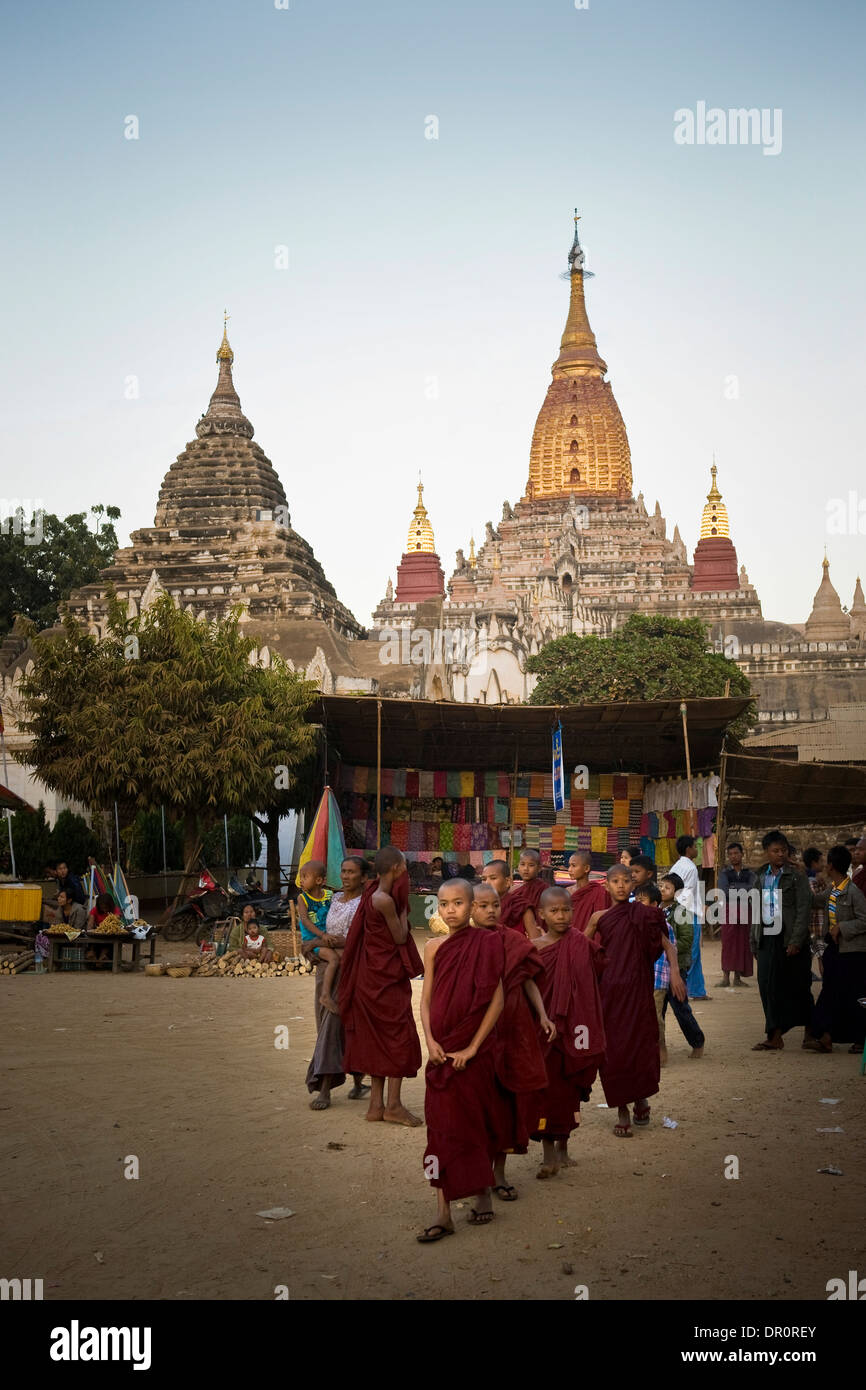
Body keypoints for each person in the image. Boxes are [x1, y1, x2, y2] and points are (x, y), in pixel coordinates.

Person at [417, 879, 505, 1242]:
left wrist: (472, 1047)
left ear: (471, 907)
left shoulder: (486, 944)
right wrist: (430, 1040)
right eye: (444, 903)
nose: (450, 910)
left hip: (473, 1053)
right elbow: (425, 1000)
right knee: (440, 1129)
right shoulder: (434, 947)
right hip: (441, 1053)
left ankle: (482, 1193)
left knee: (472, 1123)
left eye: (458, 903)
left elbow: (496, 1000)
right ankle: (443, 1211)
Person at [586, 864, 686, 1138]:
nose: (620, 886)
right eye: (615, 881)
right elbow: (580, 948)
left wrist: (675, 973)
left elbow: (667, 944)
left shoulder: (647, 914)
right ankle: (622, 1109)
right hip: (610, 994)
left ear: (633, 885)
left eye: (626, 881)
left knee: (641, 1046)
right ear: (606, 885)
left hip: (639, 991)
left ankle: (640, 1099)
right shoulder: (599, 917)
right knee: (614, 1052)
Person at [470, 882, 553, 1201]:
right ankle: (479, 1173)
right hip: (478, 1032)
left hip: (515, 1027)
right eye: (483, 905)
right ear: (471, 908)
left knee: (508, 1101)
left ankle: (499, 1173)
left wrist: (543, 1015)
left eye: (495, 905)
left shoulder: (514, 940)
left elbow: (529, 979)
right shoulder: (463, 942)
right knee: (482, 1102)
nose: (490, 911)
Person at [340, 846, 424, 1126]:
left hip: (369, 979)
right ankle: (394, 1106)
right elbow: (400, 938)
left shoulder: (371, 893)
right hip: (385, 982)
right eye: (404, 867)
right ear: (397, 869)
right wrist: (402, 909)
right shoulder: (385, 899)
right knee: (398, 1037)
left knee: (376, 1041)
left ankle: (376, 1106)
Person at [530, 886, 606, 1177]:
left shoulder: (582, 943)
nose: (561, 916)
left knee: (570, 1091)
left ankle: (563, 1150)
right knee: (547, 1091)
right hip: (546, 1032)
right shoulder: (535, 949)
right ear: (542, 915)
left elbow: (593, 983)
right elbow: (528, 987)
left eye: (566, 910)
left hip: (577, 1029)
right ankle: (548, 1155)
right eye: (554, 911)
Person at [306, 857, 370, 1110]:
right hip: (326, 970)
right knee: (325, 1024)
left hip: (351, 971)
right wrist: (314, 947)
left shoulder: (365, 904)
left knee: (337, 1026)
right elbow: (321, 929)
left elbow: (356, 939)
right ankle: (356, 1083)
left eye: (352, 872)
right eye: (343, 871)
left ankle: (324, 1090)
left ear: (364, 877)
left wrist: (315, 944)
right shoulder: (332, 899)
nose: (345, 876)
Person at [750, 830, 813, 1051]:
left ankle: (811, 1033)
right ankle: (774, 1036)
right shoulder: (759, 876)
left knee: (799, 985)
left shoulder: (797, 875)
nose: (780, 854)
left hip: (790, 938)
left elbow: (804, 908)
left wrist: (796, 940)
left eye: (783, 850)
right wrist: (753, 941)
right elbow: (755, 910)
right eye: (775, 851)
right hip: (766, 937)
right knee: (767, 986)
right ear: (767, 852)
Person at [804, 845, 866, 1053]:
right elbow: (814, 901)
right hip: (835, 949)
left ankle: (857, 1039)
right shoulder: (833, 888)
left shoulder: (853, 892)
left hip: (852, 951)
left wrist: (843, 927)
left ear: (831, 866)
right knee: (832, 993)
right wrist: (803, 877)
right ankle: (826, 1036)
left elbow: (864, 920)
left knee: (851, 995)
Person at [654, 875, 706, 1062]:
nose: (662, 890)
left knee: (680, 1008)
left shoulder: (681, 912)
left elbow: (686, 941)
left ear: (676, 893)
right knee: (656, 1011)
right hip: (657, 970)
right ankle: (659, 1048)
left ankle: (697, 1041)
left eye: (667, 887)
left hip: (676, 968)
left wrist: (666, 946)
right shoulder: (654, 910)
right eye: (661, 886)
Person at [296, 861, 341, 1013]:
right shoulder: (302, 899)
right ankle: (325, 995)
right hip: (312, 940)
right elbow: (305, 920)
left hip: (326, 937)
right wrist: (322, 935)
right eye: (301, 877)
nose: (301, 880)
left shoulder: (329, 895)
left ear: (319, 880)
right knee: (334, 959)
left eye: (305, 877)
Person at [670, 834, 708, 999]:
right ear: (688, 849)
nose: (697, 849)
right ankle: (685, 990)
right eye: (695, 846)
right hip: (688, 914)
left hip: (679, 912)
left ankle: (698, 991)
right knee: (691, 953)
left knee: (693, 953)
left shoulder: (676, 866)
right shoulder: (691, 868)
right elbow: (687, 894)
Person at [717, 842, 756, 988]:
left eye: (736, 853)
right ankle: (725, 977)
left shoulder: (750, 873)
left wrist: (735, 888)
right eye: (731, 854)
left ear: (742, 854)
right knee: (728, 943)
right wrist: (742, 889)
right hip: (729, 910)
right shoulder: (724, 873)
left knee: (743, 942)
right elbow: (724, 891)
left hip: (746, 909)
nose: (733, 856)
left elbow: (753, 889)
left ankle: (738, 978)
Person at [498, 849, 545, 938]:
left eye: (531, 865)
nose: (526, 869)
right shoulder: (513, 889)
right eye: (522, 864)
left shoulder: (544, 889)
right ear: (518, 866)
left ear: (539, 868)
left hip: (535, 932)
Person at [566, 850, 609, 931]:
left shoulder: (599, 892)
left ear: (586, 868)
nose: (569, 869)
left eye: (573, 866)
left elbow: (600, 921)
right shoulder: (567, 891)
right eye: (569, 865)